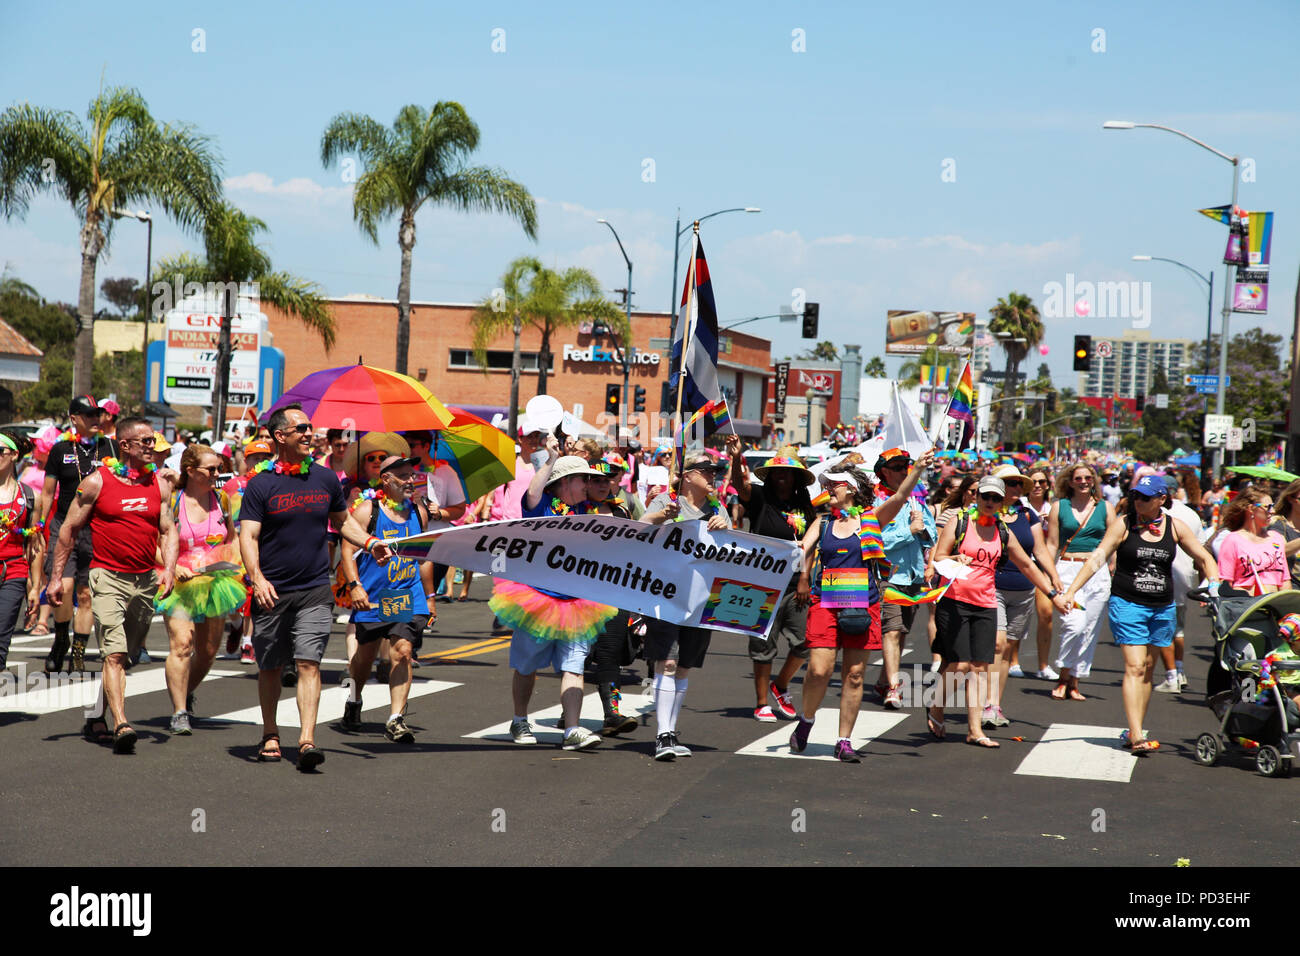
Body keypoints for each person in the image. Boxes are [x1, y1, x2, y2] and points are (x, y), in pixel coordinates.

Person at [239, 403, 393, 771]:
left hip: (314, 589)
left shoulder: (325, 480)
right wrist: (257, 578)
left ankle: (307, 738)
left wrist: (371, 542)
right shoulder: (261, 484)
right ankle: (271, 733)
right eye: (302, 429)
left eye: (311, 429)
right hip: (271, 591)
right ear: (280, 437)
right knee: (272, 665)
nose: (311, 434)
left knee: (309, 662)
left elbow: (343, 523)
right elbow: (248, 535)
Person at [789, 452, 933, 762]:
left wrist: (918, 468)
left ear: (851, 489)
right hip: (825, 602)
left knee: (855, 675)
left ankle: (844, 741)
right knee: (818, 670)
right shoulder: (822, 521)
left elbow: (899, 495)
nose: (830, 490)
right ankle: (807, 720)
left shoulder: (872, 519)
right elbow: (801, 549)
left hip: (862, 603)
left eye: (835, 485)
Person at [1060, 475, 1219, 752]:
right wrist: (1072, 590)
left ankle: (1136, 727)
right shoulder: (1124, 524)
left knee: (1147, 669)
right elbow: (1098, 557)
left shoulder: (1174, 527)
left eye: (1145, 497)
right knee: (1134, 666)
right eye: (1135, 496)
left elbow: (1204, 557)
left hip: (1162, 607)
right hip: (1127, 603)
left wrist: (1214, 584)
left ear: (1161, 499)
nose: (1138, 501)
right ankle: (1136, 735)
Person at [49, 417, 177, 753]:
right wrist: (55, 578)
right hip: (107, 577)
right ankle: (121, 723)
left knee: (125, 656)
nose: (152, 446)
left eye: (153, 441)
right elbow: (68, 530)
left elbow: (168, 530)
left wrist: (170, 569)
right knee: (114, 652)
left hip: (146, 578)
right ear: (125, 445)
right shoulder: (96, 482)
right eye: (145, 441)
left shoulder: (159, 485)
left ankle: (95, 715)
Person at [489, 443, 615, 751]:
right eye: (581, 479)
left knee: (574, 667)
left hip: (578, 602)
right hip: (537, 599)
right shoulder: (542, 504)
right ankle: (520, 719)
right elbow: (533, 491)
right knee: (527, 666)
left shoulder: (588, 512)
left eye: (588, 480)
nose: (588, 484)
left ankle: (572, 728)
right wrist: (554, 458)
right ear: (562, 483)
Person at [929, 476, 1069, 747]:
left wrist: (1052, 594)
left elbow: (1028, 566)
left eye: (996, 498)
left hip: (985, 602)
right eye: (985, 497)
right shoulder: (959, 522)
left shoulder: (1002, 531)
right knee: (959, 664)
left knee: (981, 667)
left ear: (1002, 501)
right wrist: (955, 558)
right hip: (955, 600)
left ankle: (975, 730)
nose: (990, 502)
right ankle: (936, 706)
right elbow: (938, 558)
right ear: (976, 497)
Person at [642, 453, 731, 759]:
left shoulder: (718, 509)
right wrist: (661, 517)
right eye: (706, 470)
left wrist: (725, 530)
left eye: (715, 471)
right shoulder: (667, 502)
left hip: (701, 600)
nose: (713, 475)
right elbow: (639, 529)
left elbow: (734, 552)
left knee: (684, 667)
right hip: (665, 596)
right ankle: (662, 735)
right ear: (689, 475)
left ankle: (671, 730)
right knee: (666, 663)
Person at [155, 444, 246, 735]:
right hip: (179, 581)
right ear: (191, 471)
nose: (217, 475)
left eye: (219, 469)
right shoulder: (172, 499)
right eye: (211, 470)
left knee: (207, 653)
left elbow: (231, 538)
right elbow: (154, 542)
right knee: (183, 644)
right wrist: (171, 566)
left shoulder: (221, 499)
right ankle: (179, 711)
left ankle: (187, 690)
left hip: (215, 582)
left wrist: (232, 561)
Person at [338, 455, 429, 744]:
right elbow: (346, 546)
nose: (411, 481)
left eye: (412, 475)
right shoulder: (368, 510)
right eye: (403, 476)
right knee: (364, 659)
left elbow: (424, 557)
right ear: (386, 480)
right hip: (373, 597)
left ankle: (396, 719)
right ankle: (354, 698)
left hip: (407, 593)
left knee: (402, 650)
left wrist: (430, 595)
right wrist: (355, 586)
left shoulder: (419, 512)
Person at [730, 438, 813, 722]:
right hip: (761, 582)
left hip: (794, 584)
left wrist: (805, 576)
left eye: (787, 472)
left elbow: (809, 544)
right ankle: (761, 702)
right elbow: (739, 488)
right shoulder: (760, 498)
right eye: (778, 471)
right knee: (763, 645)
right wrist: (736, 457)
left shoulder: (804, 502)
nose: (782, 475)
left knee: (806, 642)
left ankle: (780, 685)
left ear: (795, 477)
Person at [38, 395, 116, 673]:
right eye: (89, 414)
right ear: (74, 418)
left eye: (98, 414)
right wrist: (39, 528)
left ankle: (79, 653)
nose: (96, 419)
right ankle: (60, 639)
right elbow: (48, 493)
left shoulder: (111, 448)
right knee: (63, 588)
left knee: (86, 595)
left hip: (98, 528)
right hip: (64, 525)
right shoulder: (60, 450)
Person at [986, 465, 1063, 727]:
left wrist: (1054, 577)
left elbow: (1039, 552)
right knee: (997, 645)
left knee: (1007, 648)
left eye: (1019, 485)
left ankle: (995, 704)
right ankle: (986, 703)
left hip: (1023, 590)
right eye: (1010, 483)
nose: (1016, 489)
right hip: (991, 586)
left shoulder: (1027, 514)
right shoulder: (986, 513)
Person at [874, 447, 936, 708]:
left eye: (906, 467)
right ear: (884, 472)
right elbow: (876, 542)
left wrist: (921, 529)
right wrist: (909, 531)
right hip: (889, 576)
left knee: (901, 634)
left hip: (913, 578)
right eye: (898, 467)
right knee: (892, 630)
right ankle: (893, 687)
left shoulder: (916, 501)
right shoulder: (876, 502)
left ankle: (881, 680)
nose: (904, 471)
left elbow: (931, 536)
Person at [1046, 463, 1115, 700]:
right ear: (1070, 481)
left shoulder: (1106, 507)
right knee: (1073, 624)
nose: (1084, 482)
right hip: (1067, 567)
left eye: (1088, 478)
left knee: (1089, 629)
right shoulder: (1059, 507)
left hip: (1097, 570)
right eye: (1078, 478)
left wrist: (1113, 565)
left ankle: (1074, 680)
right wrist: (1050, 572)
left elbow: (1113, 540)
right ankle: (1063, 674)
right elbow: (1052, 543)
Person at [583, 455, 641, 737]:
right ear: (585, 482)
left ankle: (612, 714)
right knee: (577, 659)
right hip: (578, 596)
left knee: (610, 655)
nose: (604, 485)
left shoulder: (622, 514)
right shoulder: (571, 512)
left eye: (608, 479)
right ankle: (566, 712)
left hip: (615, 594)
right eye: (596, 480)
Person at [1156, 476, 1204, 693]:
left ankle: (1172, 676)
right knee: (1179, 629)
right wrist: (1203, 584)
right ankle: (1180, 670)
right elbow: (1202, 551)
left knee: (1163, 628)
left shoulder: (1158, 513)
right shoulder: (1191, 514)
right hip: (1185, 577)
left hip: (1163, 577)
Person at [0, 433, 43, 672]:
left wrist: (35, 586)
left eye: (0, 451)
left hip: (12, 572)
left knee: (1, 639)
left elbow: (34, 546)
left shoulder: (28, 496)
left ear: (15, 455)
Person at [1019, 466, 1058, 681]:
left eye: (1042, 482)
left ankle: (1043, 665)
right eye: (1033, 481)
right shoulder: (1019, 507)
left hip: (1043, 566)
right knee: (1019, 616)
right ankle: (1014, 661)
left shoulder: (1053, 509)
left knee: (1046, 614)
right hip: (1021, 564)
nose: (1037, 486)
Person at [1217, 488, 1289, 595]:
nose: (1272, 511)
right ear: (1251, 508)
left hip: (1275, 606)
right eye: (1267, 507)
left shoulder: (1276, 538)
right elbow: (1225, 583)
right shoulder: (1233, 540)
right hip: (1246, 606)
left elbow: (1285, 580)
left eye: (1272, 506)